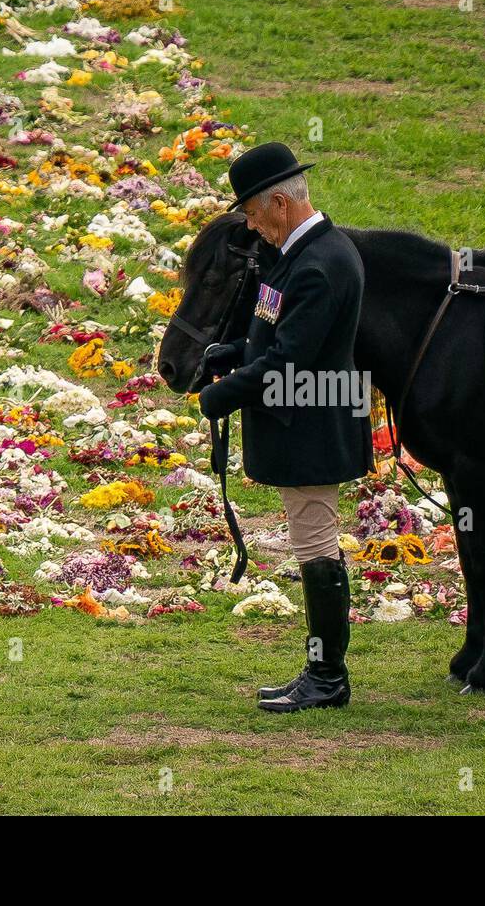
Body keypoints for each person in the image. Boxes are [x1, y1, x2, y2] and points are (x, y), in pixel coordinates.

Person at [196, 142, 374, 713]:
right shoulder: (301, 253)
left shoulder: (321, 265)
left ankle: (327, 676)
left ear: (278, 202)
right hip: (303, 417)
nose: (251, 226)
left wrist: (220, 396)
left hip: (313, 423)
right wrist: (232, 351)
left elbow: (287, 365)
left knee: (317, 547)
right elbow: (274, 336)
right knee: (309, 543)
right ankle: (323, 672)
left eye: (250, 214)